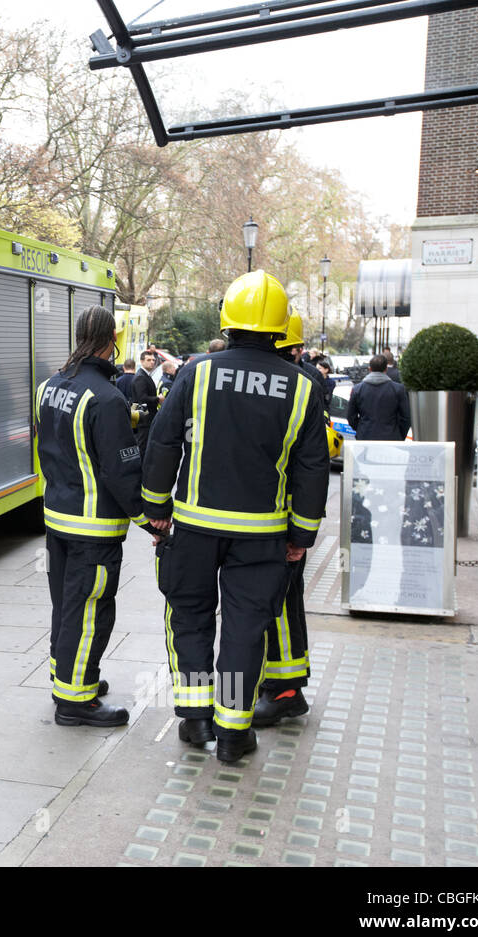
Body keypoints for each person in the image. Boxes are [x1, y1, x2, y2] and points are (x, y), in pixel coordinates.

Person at [142, 271, 329, 764]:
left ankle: (196, 718)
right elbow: (312, 471)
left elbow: (163, 443)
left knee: (190, 615)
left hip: (195, 528)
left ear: (227, 321)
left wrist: (156, 511)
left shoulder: (196, 372)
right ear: (279, 327)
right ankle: (233, 734)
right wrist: (301, 536)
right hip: (262, 536)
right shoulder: (304, 387)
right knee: (247, 629)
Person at [35, 306, 157, 727]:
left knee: (64, 605)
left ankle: (66, 674)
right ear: (112, 339)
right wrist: (151, 520)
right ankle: (76, 700)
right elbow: (121, 471)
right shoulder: (106, 398)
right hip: (94, 528)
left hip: (58, 518)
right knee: (89, 609)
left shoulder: (48, 386)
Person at [254, 310, 315, 726]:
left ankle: (287, 689)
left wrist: (300, 534)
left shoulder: (298, 387)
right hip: (282, 517)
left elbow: (307, 468)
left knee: (282, 603)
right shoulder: (294, 386)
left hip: (284, 519)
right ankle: (277, 681)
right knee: (277, 602)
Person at [347, 354, 412, 440]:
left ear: (369, 369)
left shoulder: (357, 389)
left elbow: (351, 416)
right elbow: (406, 417)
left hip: (365, 436)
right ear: (386, 369)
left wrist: (361, 428)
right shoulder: (398, 389)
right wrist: (399, 434)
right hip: (391, 437)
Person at [132, 350, 159, 454]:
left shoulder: (145, 375)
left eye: (153, 360)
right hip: (142, 415)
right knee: (142, 444)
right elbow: (142, 398)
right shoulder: (140, 377)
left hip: (142, 414)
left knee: (144, 443)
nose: (152, 362)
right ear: (142, 361)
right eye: (148, 360)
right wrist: (158, 399)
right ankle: (140, 467)